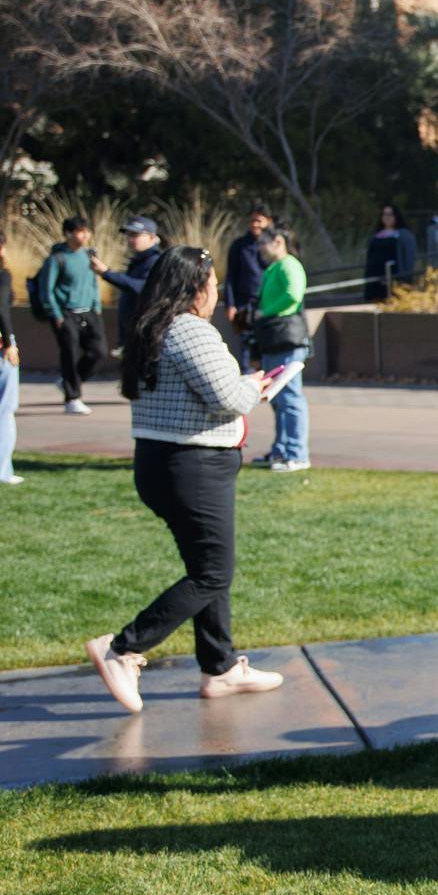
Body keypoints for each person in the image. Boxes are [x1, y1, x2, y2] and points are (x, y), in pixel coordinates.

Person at [84, 245, 286, 713]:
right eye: (213, 285)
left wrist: (241, 386)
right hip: (194, 467)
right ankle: (123, 649)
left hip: (161, 463)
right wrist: (254, 386)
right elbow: (228, 398)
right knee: (212, 571)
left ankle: (220, 668)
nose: (216, 293)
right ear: (195, 289)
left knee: (209, 568)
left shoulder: (149, 327)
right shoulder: (192, 331)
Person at [253, 225, 312, 472]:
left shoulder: (289, 264)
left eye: (263, 244)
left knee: (289, 397)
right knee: (277, 398)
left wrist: (266, 312)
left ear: (278, 241)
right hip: (272, 338)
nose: (260, 250)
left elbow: (293, 294)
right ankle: (281, 450)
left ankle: (297, 453)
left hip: (287, 337)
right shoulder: (273, 269)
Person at [37, 215, 103, 414]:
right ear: (67, 234)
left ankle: (71, 381)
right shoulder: (56, 259)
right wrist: (55, 314)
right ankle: (72, 397)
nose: (84, 235)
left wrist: (96, 305)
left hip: (89, 312)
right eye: (79, 231)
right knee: (70, 354)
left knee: (98, 351)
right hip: (66, 314)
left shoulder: (89, 256)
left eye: (86, 231)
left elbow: (93, 283)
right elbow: (46, 290)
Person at [95, 215, 164, 354]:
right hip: (131, 332)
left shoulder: (155, 260)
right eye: (128, 235)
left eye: (135, 235)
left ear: (151, 237)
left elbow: (140, 287)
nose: (130, 239)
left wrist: (106, 273)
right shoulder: (138, 260)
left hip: (144, 333)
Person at [221, 203, 274, 372]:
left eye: (259, 220)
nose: (255, 224)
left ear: (268, 221)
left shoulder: (273, 244)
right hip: (244, 303)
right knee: (244, 346)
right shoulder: (239, 245)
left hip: (266, 303)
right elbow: (230, 277)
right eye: (252, 220)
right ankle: (246, 380)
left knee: (265, 345)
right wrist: (230, 304)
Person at [362, 204, 418, 302]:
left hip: (394, 276)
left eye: (390, 214)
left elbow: (409, 257)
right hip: (376, 278)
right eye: (384, 214)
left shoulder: (404, 235)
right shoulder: (376, 235)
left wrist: (405, 277)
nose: (387, 217)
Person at [0, 239, 21, 486]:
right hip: (2, 346)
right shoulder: (2, 275)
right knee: (5, 409)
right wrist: (9, 343)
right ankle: (3, 469)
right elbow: (2, 309)